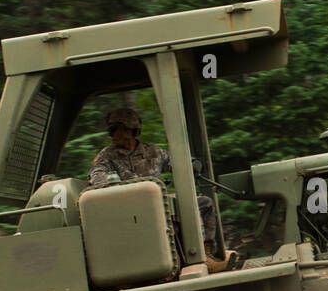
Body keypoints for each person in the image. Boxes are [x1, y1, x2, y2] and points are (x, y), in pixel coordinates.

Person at [88, 107, 233, 272]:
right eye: (110, 129)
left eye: (114, 129)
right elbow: (97, 178)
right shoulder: (106, 156)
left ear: (129, 129)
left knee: (204, 203)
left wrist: (192, 164)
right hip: (128, 213)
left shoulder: (153, 151)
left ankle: (205, 256)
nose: (111, 134)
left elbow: (177, 163)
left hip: (160, 207)